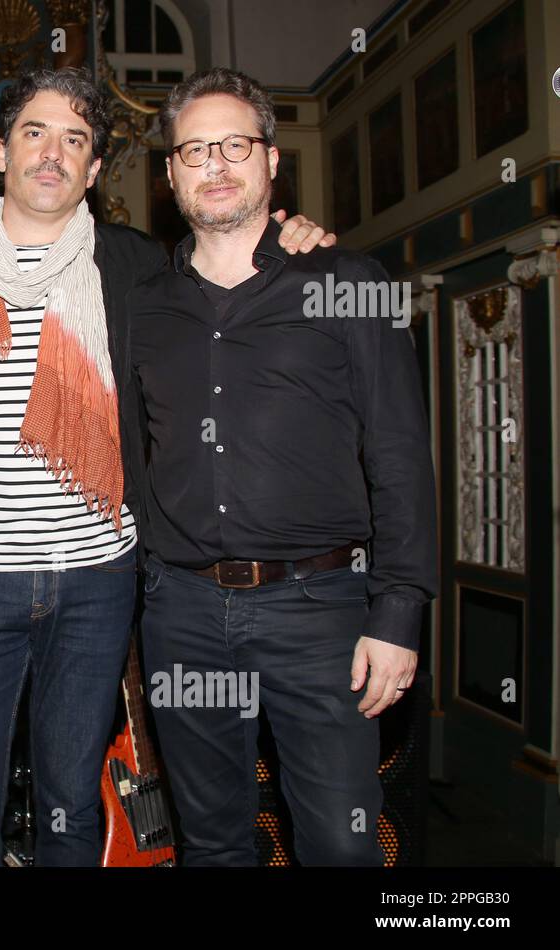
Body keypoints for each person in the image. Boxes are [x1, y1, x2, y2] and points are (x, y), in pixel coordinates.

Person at [0, 65, 332, 866]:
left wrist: (291, 235)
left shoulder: (137, 269)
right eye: (34, 132)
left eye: (75, 139)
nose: (52, 154)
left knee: (72, 802)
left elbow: (231, 264)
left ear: (96, 169)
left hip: (97, 583)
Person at [127, 67, 436, 865]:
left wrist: (398, 614)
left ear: (271, 161)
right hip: (182, 614)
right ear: (170, 175)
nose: (216, 164)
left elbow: (400, 454)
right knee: (213, 844)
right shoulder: (143, 310)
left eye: (236, 144)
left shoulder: (349, 285)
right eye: (195, 150)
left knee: (340, 844)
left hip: (322, 611)